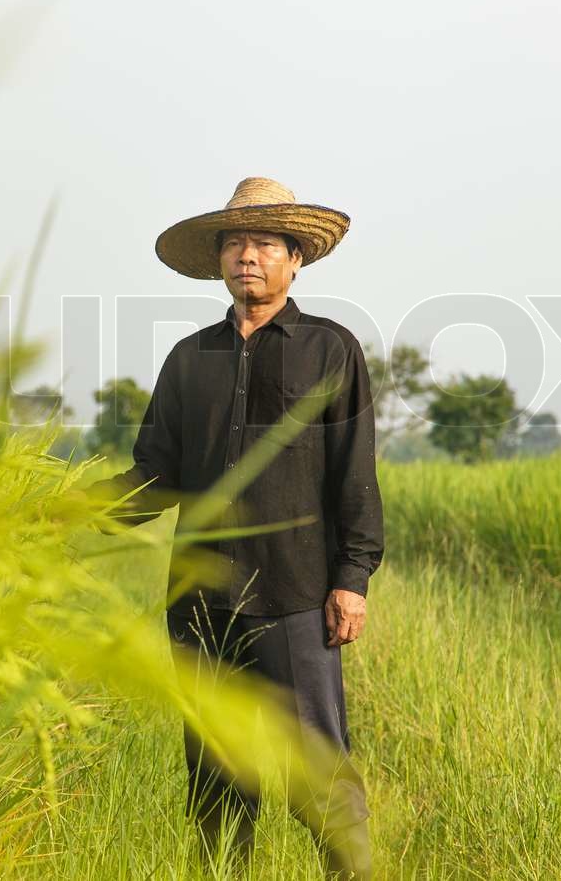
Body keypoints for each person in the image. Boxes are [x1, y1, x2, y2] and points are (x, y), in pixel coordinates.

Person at [85, 176, 382, 879]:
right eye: (235, 243)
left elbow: (355, 474)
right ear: (219, 260)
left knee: (318, 775)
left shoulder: (329, 350)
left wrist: (353, 578)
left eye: (264, 243)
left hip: (295, 598)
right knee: (216, 781)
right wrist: (69, 508)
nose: (248, 256)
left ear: (295, 259)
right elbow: (157, 472)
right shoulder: (191, 360)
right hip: (200, 608)